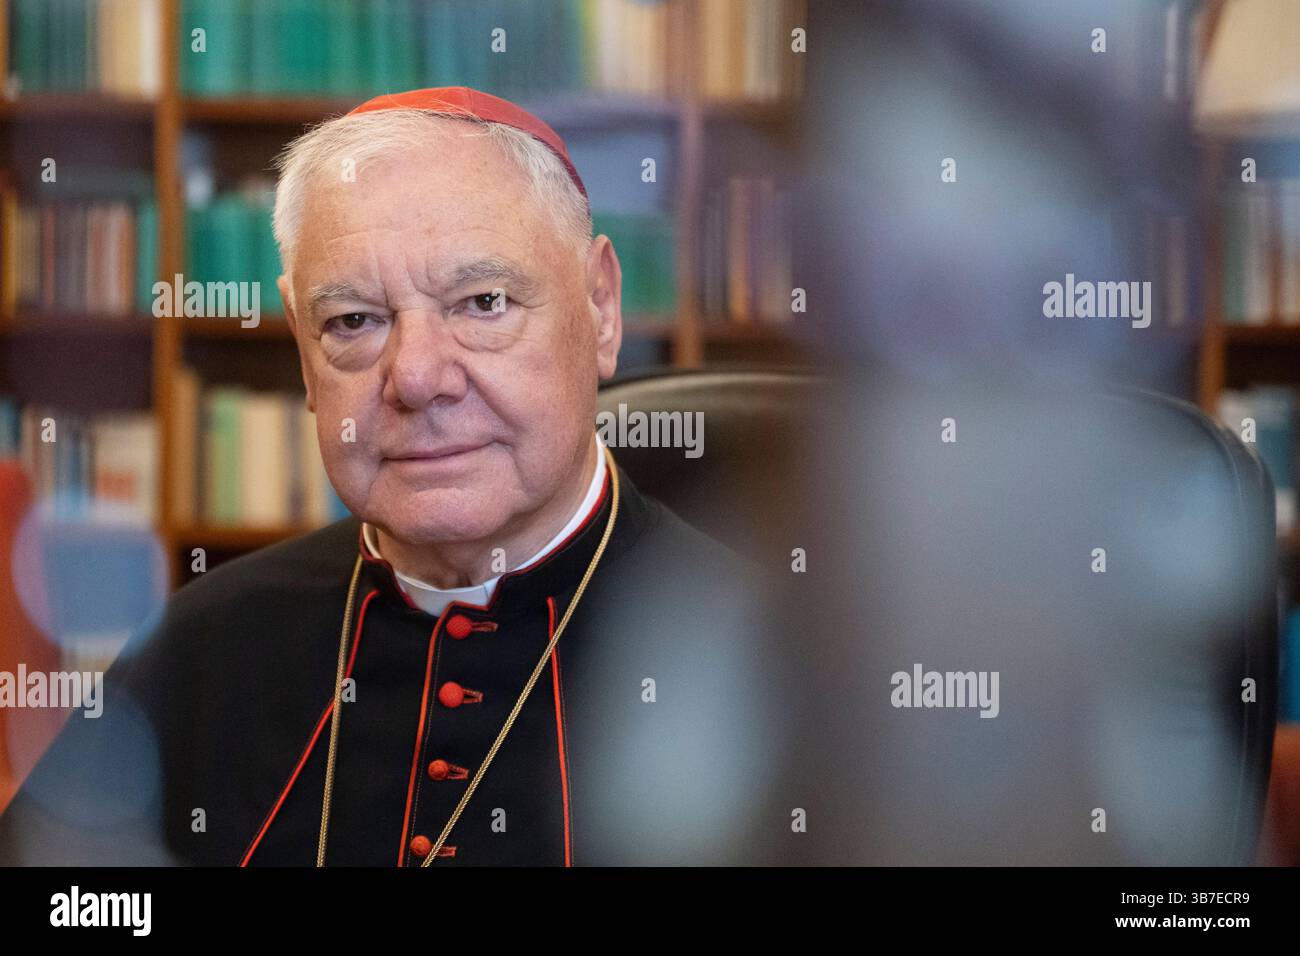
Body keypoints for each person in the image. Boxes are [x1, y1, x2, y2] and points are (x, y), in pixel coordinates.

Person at [0, 87, 794, 867]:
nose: (415, 378)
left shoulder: (765, 668)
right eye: (353, 321)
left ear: (602, 309)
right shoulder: (200, 645)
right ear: (303, 354)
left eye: (483, 302)